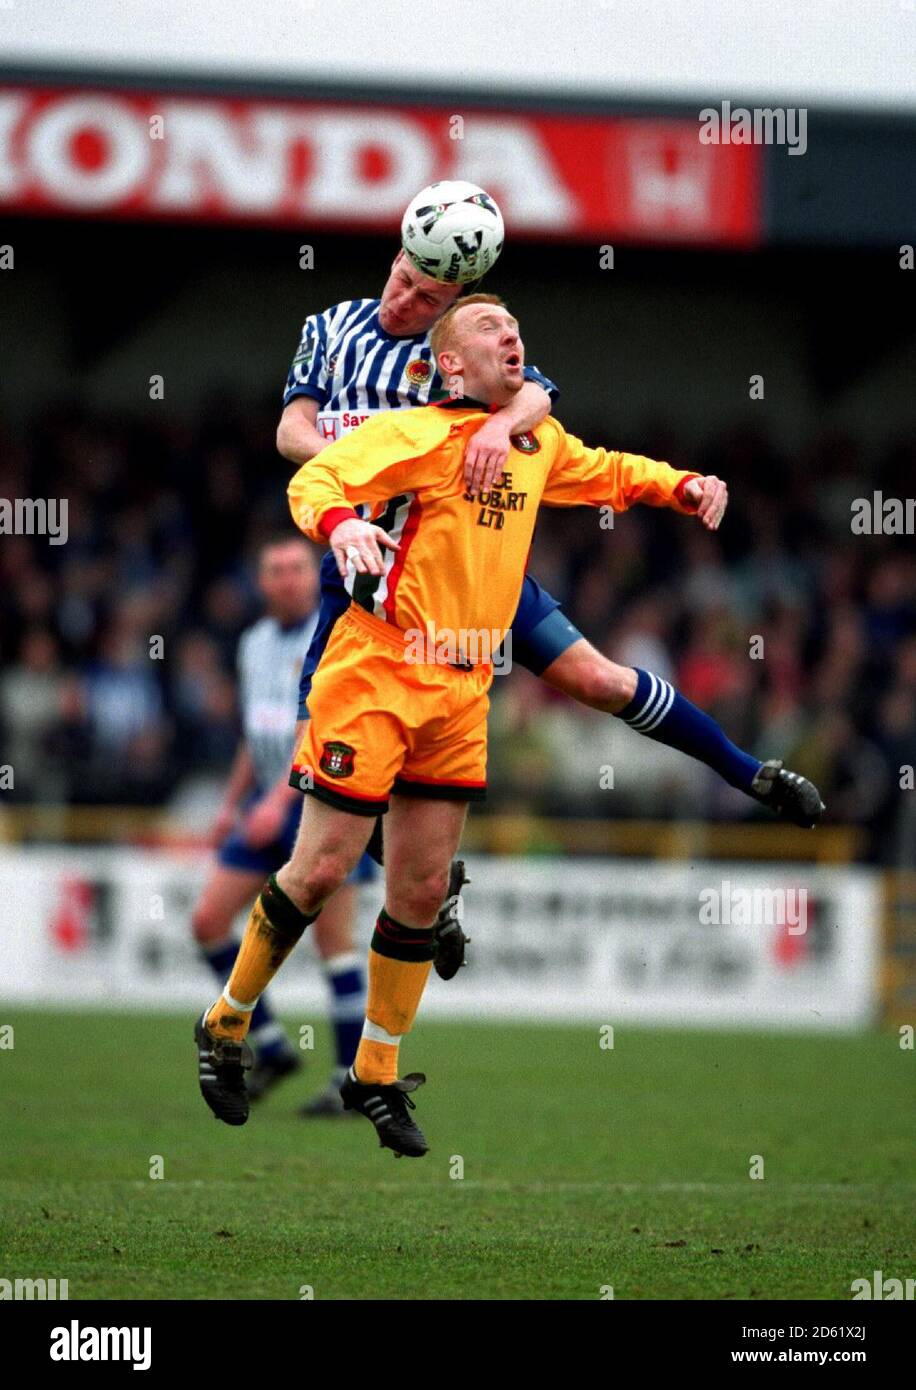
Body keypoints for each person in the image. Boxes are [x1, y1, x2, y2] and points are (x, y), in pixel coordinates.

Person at [195, 295, 825, 1154]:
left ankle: (375, 1075)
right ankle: (226, 1023)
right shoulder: (414, 432)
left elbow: (607, 470)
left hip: (461, 688)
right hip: (377, 671)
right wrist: (343, 529)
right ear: (450, 365)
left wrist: (683, 485)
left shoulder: (533, 443)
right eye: (490, 331)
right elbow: (315, 478)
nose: (512, 338)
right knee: (320, 871)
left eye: (516, 329)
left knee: (419, 891)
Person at [191, 535, 373, 1114]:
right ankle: (269, 1045)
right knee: (209, 921)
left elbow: (314, 727)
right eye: (277, 570)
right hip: (269, 804)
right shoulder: (254, 643)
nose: (290, 578)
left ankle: (352, 1081)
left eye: (298, 568)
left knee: (332, 943)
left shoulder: (337, 629)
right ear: (263, 582)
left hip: (326, 796)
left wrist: (275, 802)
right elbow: (258, 731)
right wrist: (231, 804)